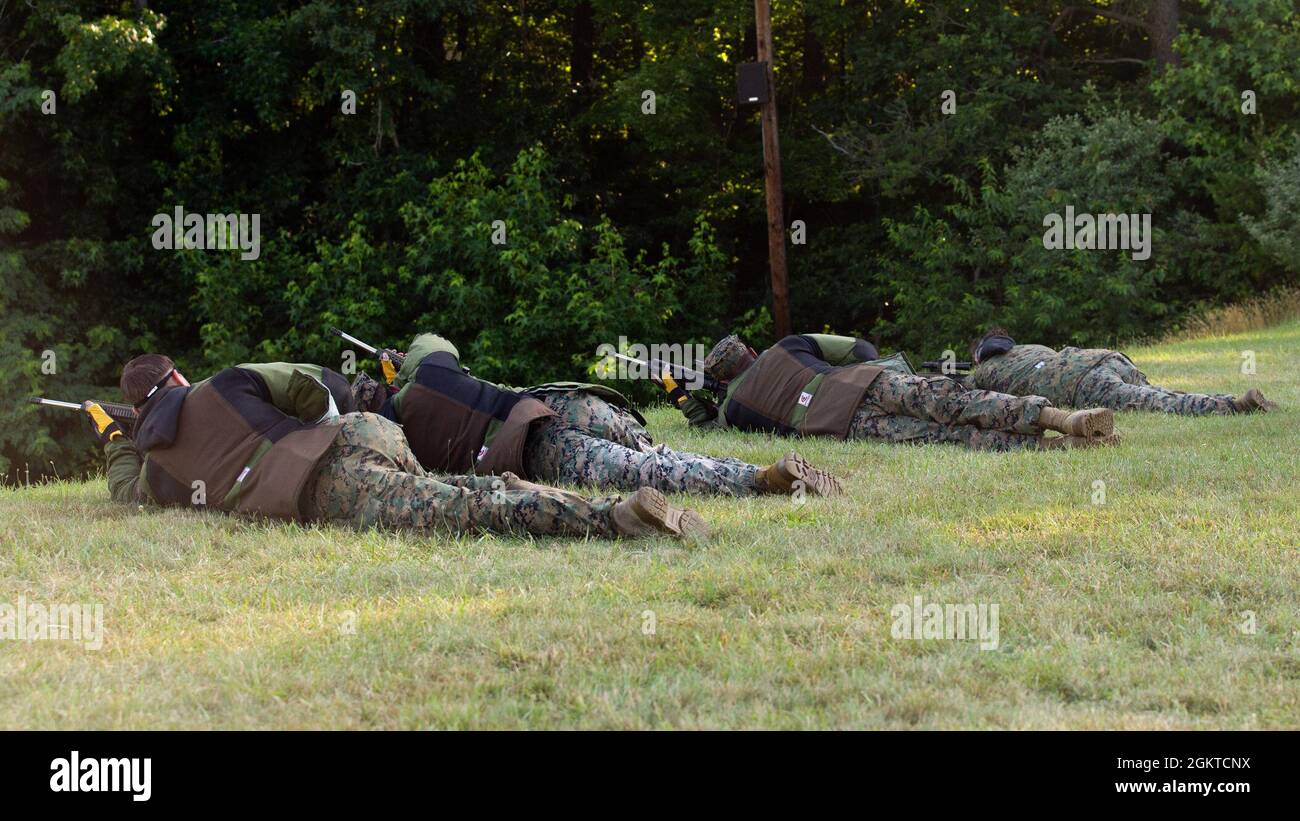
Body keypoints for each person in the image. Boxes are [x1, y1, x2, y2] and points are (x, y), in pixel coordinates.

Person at [82, 354, 706, 541]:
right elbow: (307, 383)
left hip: (320, 490)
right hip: (359, 436)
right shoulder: (224, 383)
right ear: (177, 379)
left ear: (137, 409)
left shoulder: (154, 466)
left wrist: (116, 439)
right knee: (463, 490)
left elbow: (125, 493)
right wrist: (326, 429)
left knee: (466, 508)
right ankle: (617, 509)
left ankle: (613, 518)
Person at [349, 333, 843, 498]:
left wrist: (396, 386)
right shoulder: (429, 370)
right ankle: (758, 473)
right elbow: (435, 343)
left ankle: (759, 480)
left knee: (652, 472)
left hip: (531, 447)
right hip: (563, 403)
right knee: (659, 454)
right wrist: (400, 366)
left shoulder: (394, 438)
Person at [670, 333, 1118, 451]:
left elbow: (708, 426)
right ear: (750, 351)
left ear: (725, 377)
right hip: (864, 383)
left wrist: (682, 397)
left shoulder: (735, 409)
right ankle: (1062, 420)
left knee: (948, 437)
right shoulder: (786, 346)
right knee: (959, 403)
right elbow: (860, 348)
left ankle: (1059, 450)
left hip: (842, 426)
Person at [966, 328, 1278, 415]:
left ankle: (1234, 405)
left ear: (980, 357)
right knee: (1156, 394)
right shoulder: (1029, 348)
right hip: (1106, 358)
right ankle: (1220, 401)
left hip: (1084, 384)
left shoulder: (984, 371)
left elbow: (962, 393)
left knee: (1156, 403)